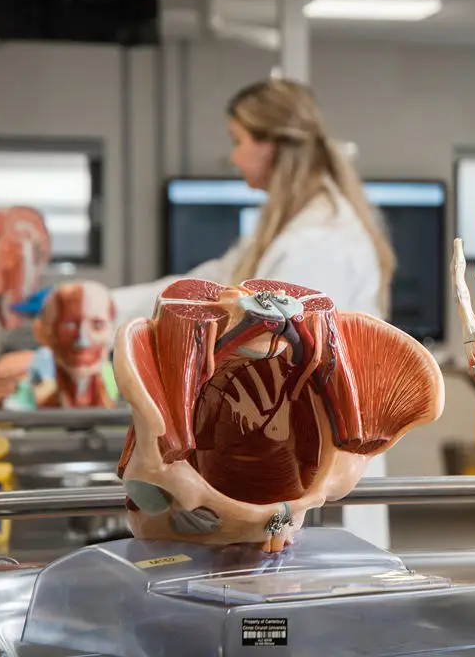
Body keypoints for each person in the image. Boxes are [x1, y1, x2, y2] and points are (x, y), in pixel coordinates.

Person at [111, 78, 398, 549]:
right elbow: (207, 285)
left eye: (239, 140)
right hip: (285, 462)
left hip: (306, 476)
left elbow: (286, 369)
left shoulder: (317, 242)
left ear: (274, 145)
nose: (234, 155)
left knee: (299, 605)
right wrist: (106, 305)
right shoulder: (290, 226)